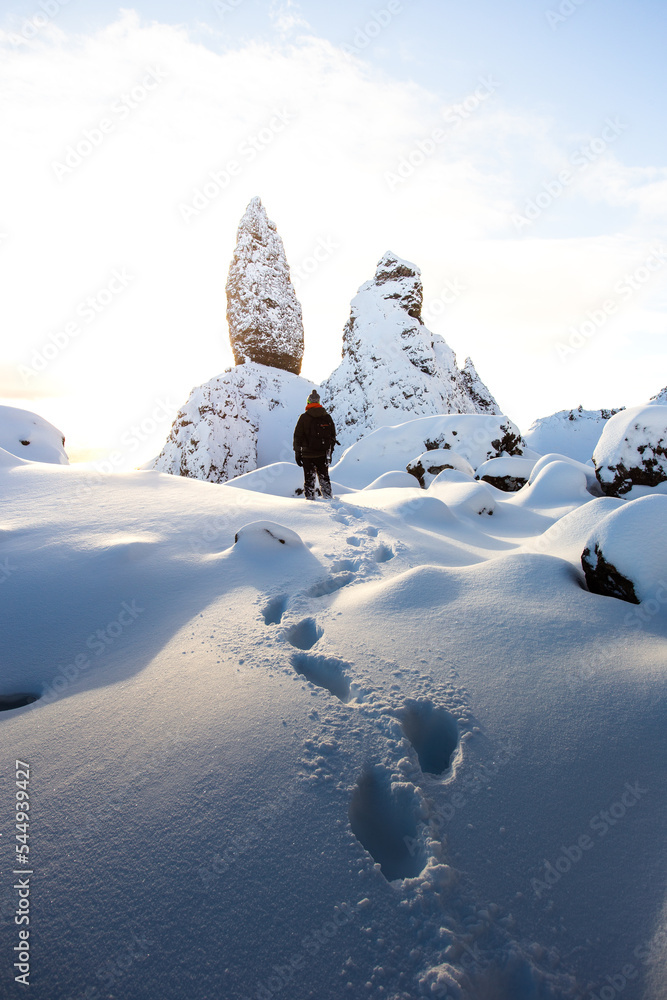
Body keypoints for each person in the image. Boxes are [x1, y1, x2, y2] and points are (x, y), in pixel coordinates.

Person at [293, 390, 337, 500]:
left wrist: (298, 453)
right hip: (322, 454)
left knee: (309, 479)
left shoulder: (304, 417)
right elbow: (332, 436)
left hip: (307, 455)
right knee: (324, 478)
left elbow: (297, 436)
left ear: (308, 402)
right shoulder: (327, 417)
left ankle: (310, 504)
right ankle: (329, 499)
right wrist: (329, 452)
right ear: (319, 402)